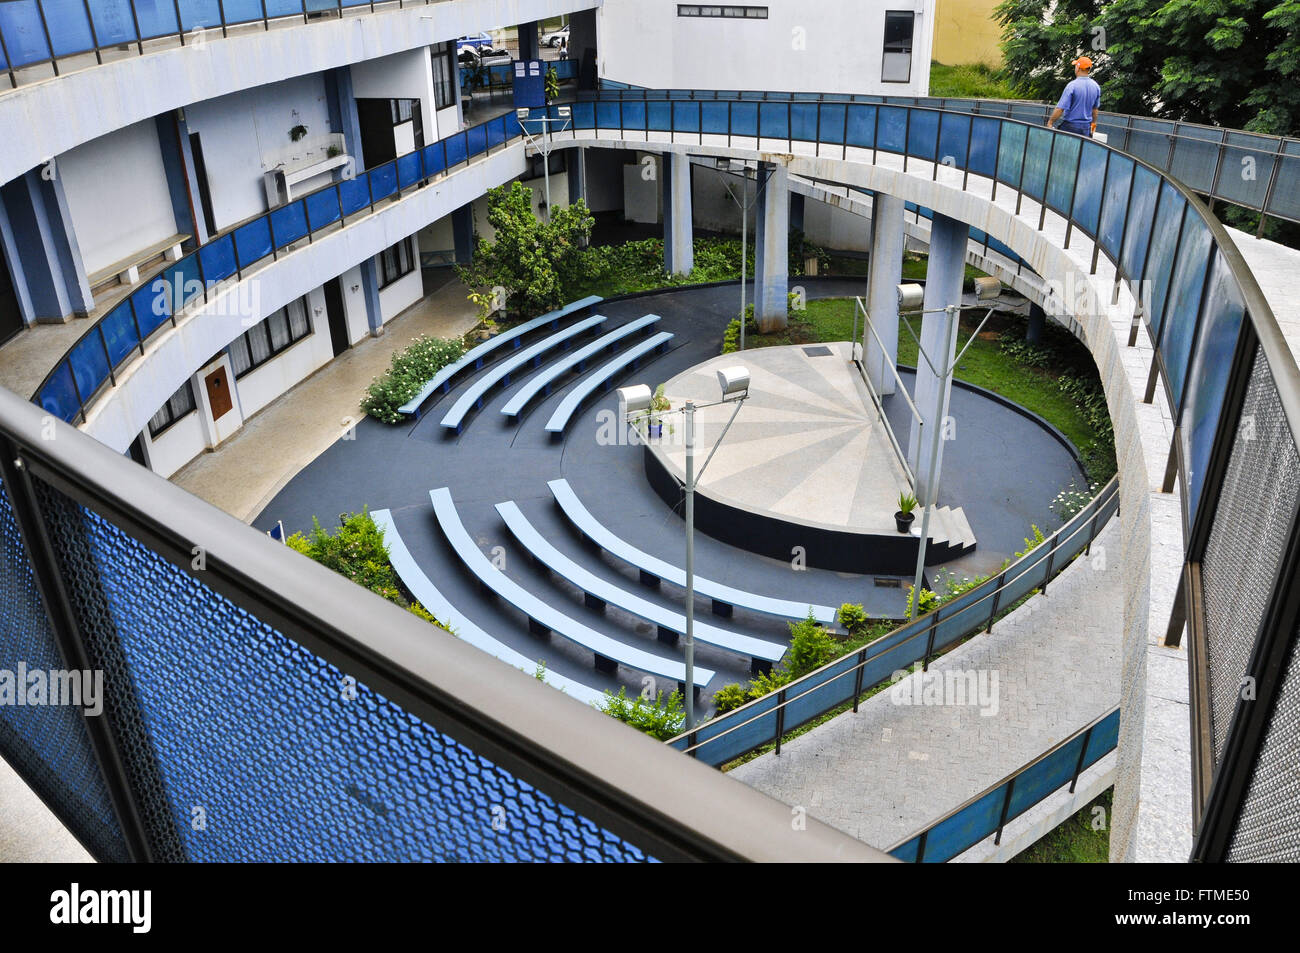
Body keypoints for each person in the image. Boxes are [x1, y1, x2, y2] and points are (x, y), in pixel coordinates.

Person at [1048, 56, 1101, 138]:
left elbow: (1060, 108)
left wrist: (1050, 122)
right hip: (1086, 128)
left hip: (1070, 127)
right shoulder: (1096, 86)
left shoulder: (1072, 85)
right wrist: (1093, 127)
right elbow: (1095, 110)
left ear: (1078, 68)